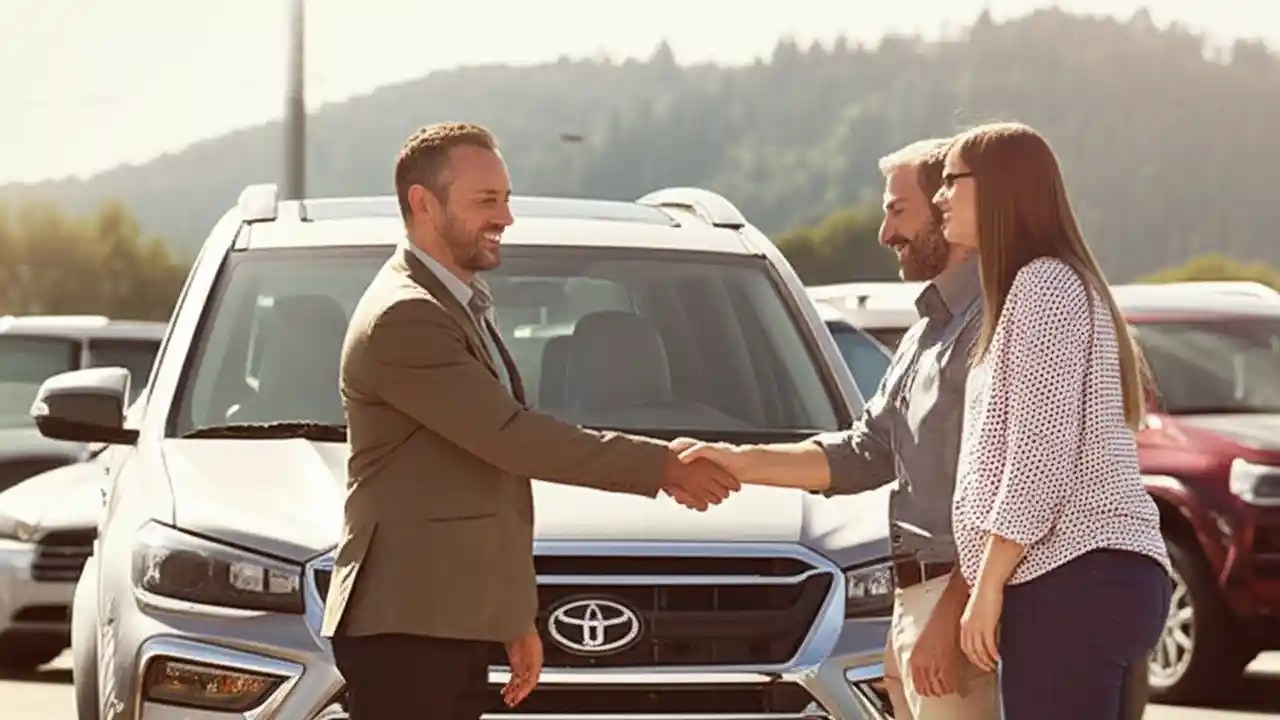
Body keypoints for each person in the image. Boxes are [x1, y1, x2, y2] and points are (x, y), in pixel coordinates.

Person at [320, 122, 740, 720]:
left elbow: (484, 482)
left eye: (506, 198)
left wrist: (513, 618)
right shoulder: (405, 316)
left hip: (446, 619)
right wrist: (662, 465)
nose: (506, 217)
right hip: (408, 628)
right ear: (422, 203)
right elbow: (513, 439)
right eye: (486, 201)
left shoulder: (454, 304)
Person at [676, 137, 1000, 719]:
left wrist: (948, 613)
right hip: (911, 605)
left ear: (945, 208)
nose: (885, 233)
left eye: (898, 211)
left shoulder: (993, 324)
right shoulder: (926, 331)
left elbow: (1005, 489)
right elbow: (862, 454)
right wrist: (735, 460)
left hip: (958, 602)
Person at [933, 121, 1172, 719]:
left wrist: (986, 588)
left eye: (950, 181)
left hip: (1074, 578)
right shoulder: (1047, 285)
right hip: (1087, 581)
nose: (940, 197)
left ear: (998, 189)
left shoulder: (1043, 286)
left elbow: (1039, 460)